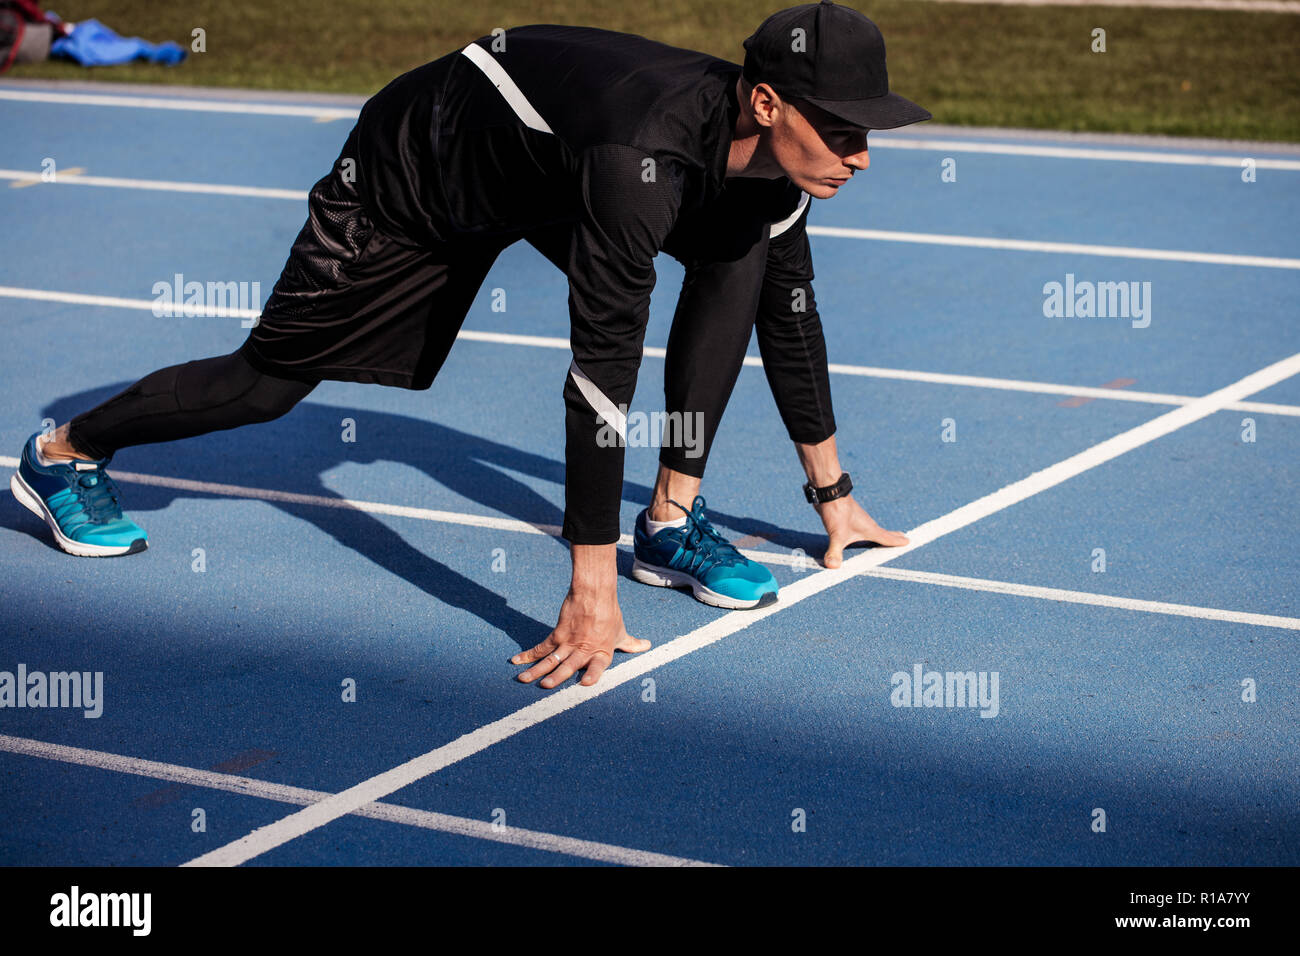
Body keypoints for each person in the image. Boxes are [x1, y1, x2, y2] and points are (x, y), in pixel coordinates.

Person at [11, 1, 928, 690]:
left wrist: (834, 497)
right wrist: (589, 590)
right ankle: (66, 453)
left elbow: (791, 315)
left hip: (542, 171)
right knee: (268, 386)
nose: (862, 155)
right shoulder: (635, 156)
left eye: (869, 131)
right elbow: (601, 379)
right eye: (842, 130)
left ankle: (673, 520)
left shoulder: (773, 169)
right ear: (766, 103)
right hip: (420, 170)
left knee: (745, 258)